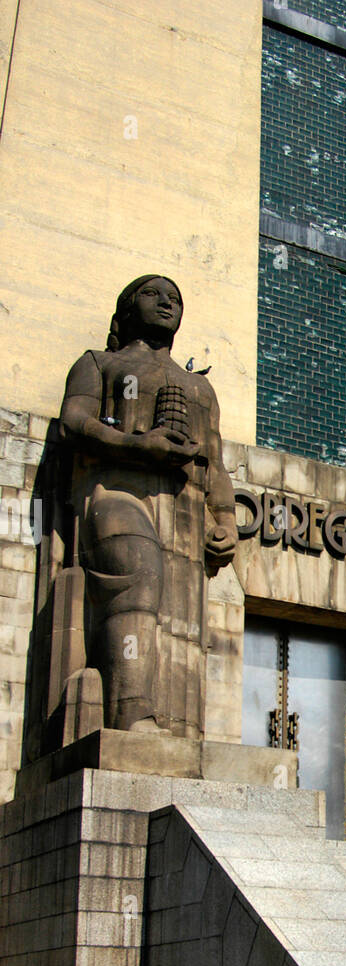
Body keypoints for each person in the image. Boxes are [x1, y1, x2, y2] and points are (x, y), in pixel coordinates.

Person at [57, 275, 237, 735]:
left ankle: (171, 731)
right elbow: (73, 423)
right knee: (138, 572)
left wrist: (226, 516)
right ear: (127, 306)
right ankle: (130, 714)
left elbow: (214, 461)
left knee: (178, 619)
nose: (166, 302)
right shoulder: (99, 363)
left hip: (182, 509)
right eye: (152, 293)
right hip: (115, 491)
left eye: (175, 297)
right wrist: (137, 446)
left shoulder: (199, 388)